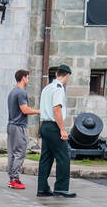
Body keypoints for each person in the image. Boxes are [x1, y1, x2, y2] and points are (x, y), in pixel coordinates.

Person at [37, 65, 76, 198]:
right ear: (67, 75)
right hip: (54, 127)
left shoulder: (47, 88)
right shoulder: (59, 89)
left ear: (56, 74)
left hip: (44, 125)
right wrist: (62, 129)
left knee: (46, 158)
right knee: (63, 157)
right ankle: (61, 188)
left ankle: (42, 188)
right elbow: (57, 109)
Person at [6, 69, 38, 190]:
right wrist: (39, 111)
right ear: (24, 78)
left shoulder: (12, 92)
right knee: (20, 153)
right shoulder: (21, 92)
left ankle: (12, 179)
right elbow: (25, 110)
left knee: (12, 153)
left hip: (11, 126)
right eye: (28, 77)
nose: (28, 80)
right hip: (19, 127)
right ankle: (15, 179)